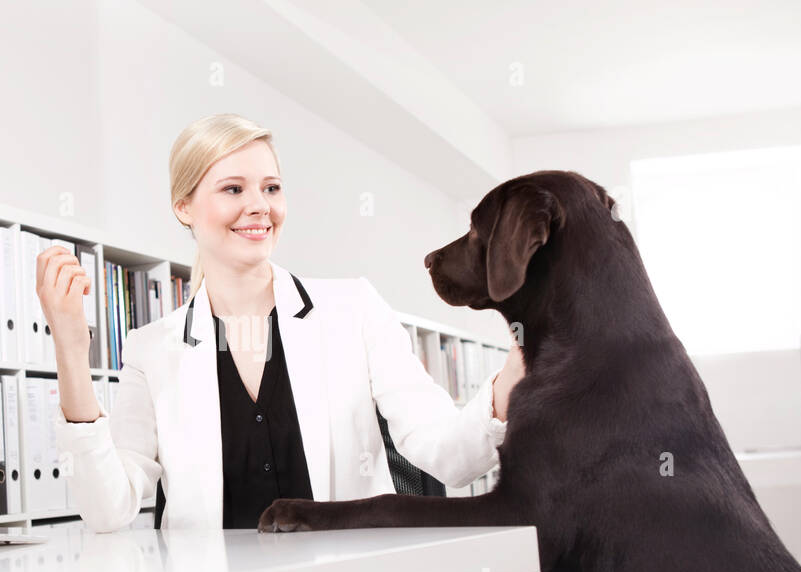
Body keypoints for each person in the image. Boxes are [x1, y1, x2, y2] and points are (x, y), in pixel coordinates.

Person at [37, 113, 524, 533]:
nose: (260, 206)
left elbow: (449, 455)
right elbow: (108, 509)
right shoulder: (153, 349)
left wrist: (514, 374)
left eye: (270, 188)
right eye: (233, 189)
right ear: (183, 206)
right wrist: (71, 351)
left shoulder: (353, 309)